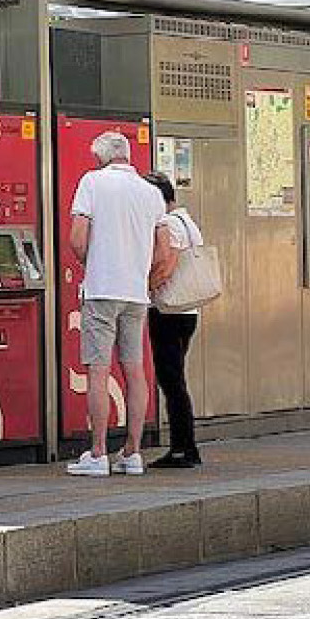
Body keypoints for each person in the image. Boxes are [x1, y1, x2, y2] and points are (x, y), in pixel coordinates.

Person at [66, 130, 165, 477]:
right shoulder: (151, 193)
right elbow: (163, 250)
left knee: (98, 370)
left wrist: (92, 265)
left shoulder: (92, 182)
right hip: (136, 294)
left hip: (101, 290)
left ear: (100, 158)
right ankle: (133, 452)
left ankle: (97, 453)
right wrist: (141, 277)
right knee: (135, 371)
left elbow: (77, 238)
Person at [147, 170, 204, 468]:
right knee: (176, 378)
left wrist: (146, 288)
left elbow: (166, 264)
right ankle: (186, 446)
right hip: (188, 310)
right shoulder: (187, 220)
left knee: (171, 380)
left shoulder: (168, 223)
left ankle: (183, 448)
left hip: (169, 310)